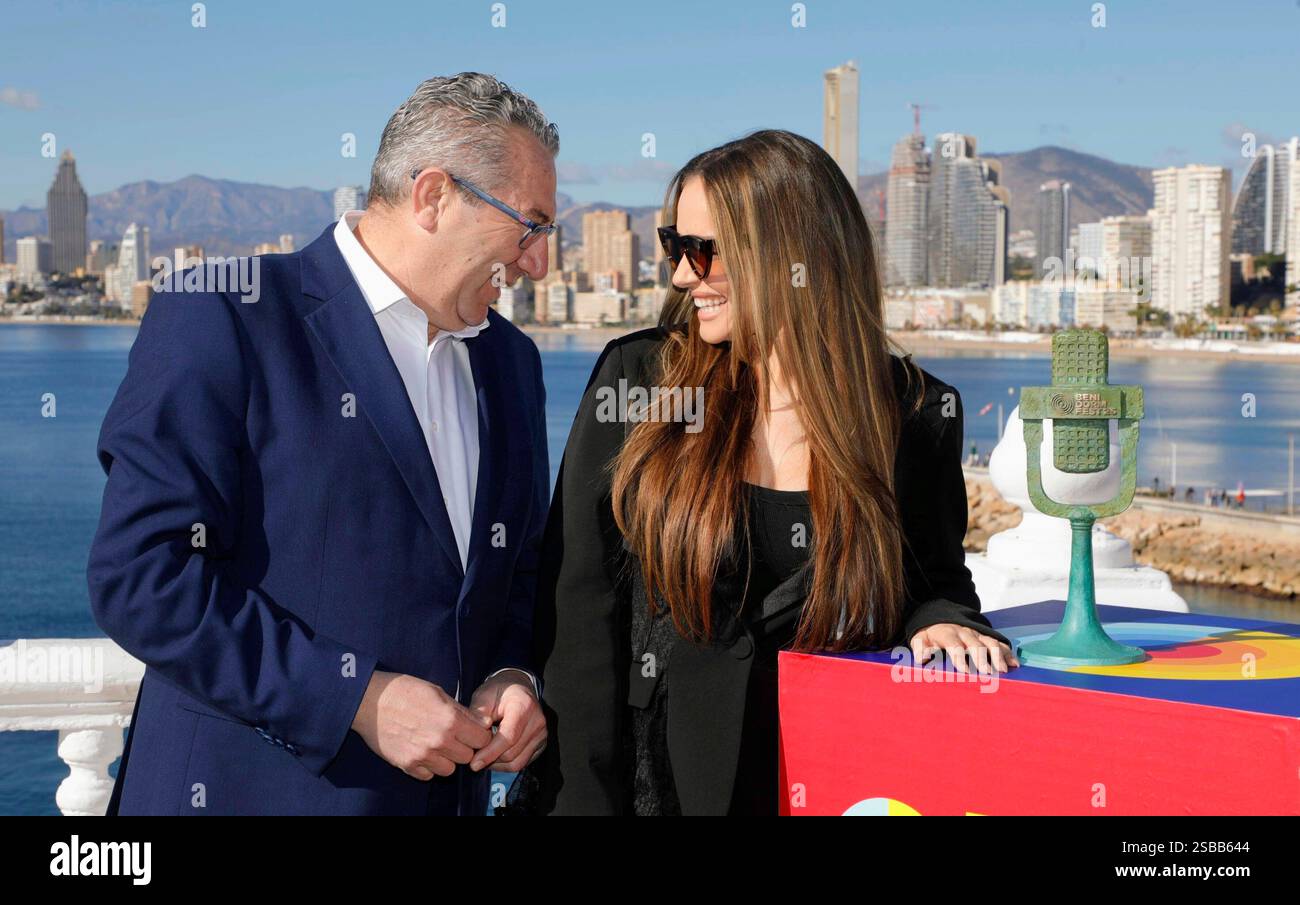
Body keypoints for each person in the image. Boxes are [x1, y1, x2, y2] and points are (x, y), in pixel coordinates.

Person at [508, 129, 1018, 817]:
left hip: (829, 784)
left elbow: (931, 577)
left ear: (793, 255)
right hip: (650, 789)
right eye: (673, 245)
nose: (682, 274)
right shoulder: (639, 381)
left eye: (703, 250)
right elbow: (576, 620)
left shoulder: (916, 413)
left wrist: (945, 619)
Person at [87, 73, 554, 815]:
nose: (540, 264)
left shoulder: (512, 361)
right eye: (529, 226)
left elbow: (519, 569)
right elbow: (141, 576)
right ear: (433, 196)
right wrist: (356, 698)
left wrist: (512, 674)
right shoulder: (221, 315)